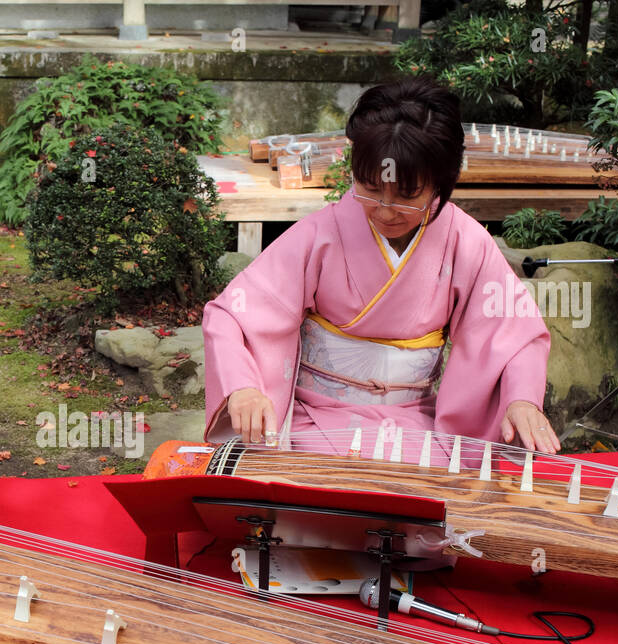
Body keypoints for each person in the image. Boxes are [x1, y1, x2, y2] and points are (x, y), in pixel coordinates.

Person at [203, 77, 559, 462]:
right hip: (318, 420)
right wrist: (244, 387)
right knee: (312, 498)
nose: (386, 210)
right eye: (370, 189)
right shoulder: (321, 234)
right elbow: (234, 315)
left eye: (407, 195)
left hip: (417, 426)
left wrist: (521, 398)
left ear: (441, 183)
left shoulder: (464, 242)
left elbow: (514, 334)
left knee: (436, 507)